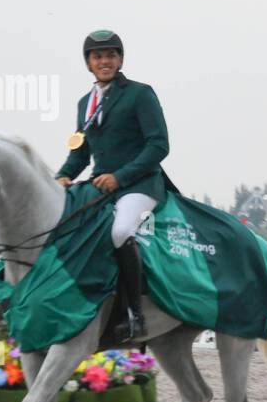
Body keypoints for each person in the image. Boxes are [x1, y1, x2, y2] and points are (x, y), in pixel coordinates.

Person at [55, 30, 177, 343]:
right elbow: (80, 152)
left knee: (120, 232)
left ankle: (134, 315)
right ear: (88, 63)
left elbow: (158, 145)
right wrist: (63, 175)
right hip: (102, 186)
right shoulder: (86, 103)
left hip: (140, 184)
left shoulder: (140, 93)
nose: (104, 61)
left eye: (110, 55)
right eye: (98, 57)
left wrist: (120, 176)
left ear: (120, 59)